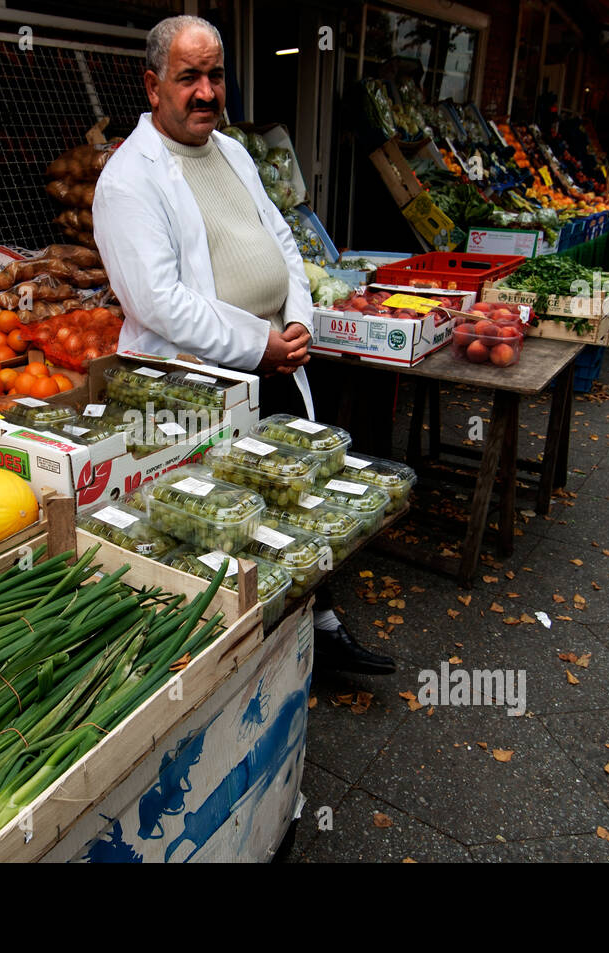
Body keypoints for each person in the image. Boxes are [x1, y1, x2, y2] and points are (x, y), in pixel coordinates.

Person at [93, 15, 396, 676]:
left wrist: (297, 321)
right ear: (153, 86)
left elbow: (281, 240)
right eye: (188, 78)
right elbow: (159, 302)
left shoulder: (231, 150)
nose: (206, 92)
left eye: (215, 75)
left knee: (294, 503)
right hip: (203, 383)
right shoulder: (128, 180)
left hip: (274, 361)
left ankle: (318, 627)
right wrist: (260, 342)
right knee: (227, 521)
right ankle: (253, 664)